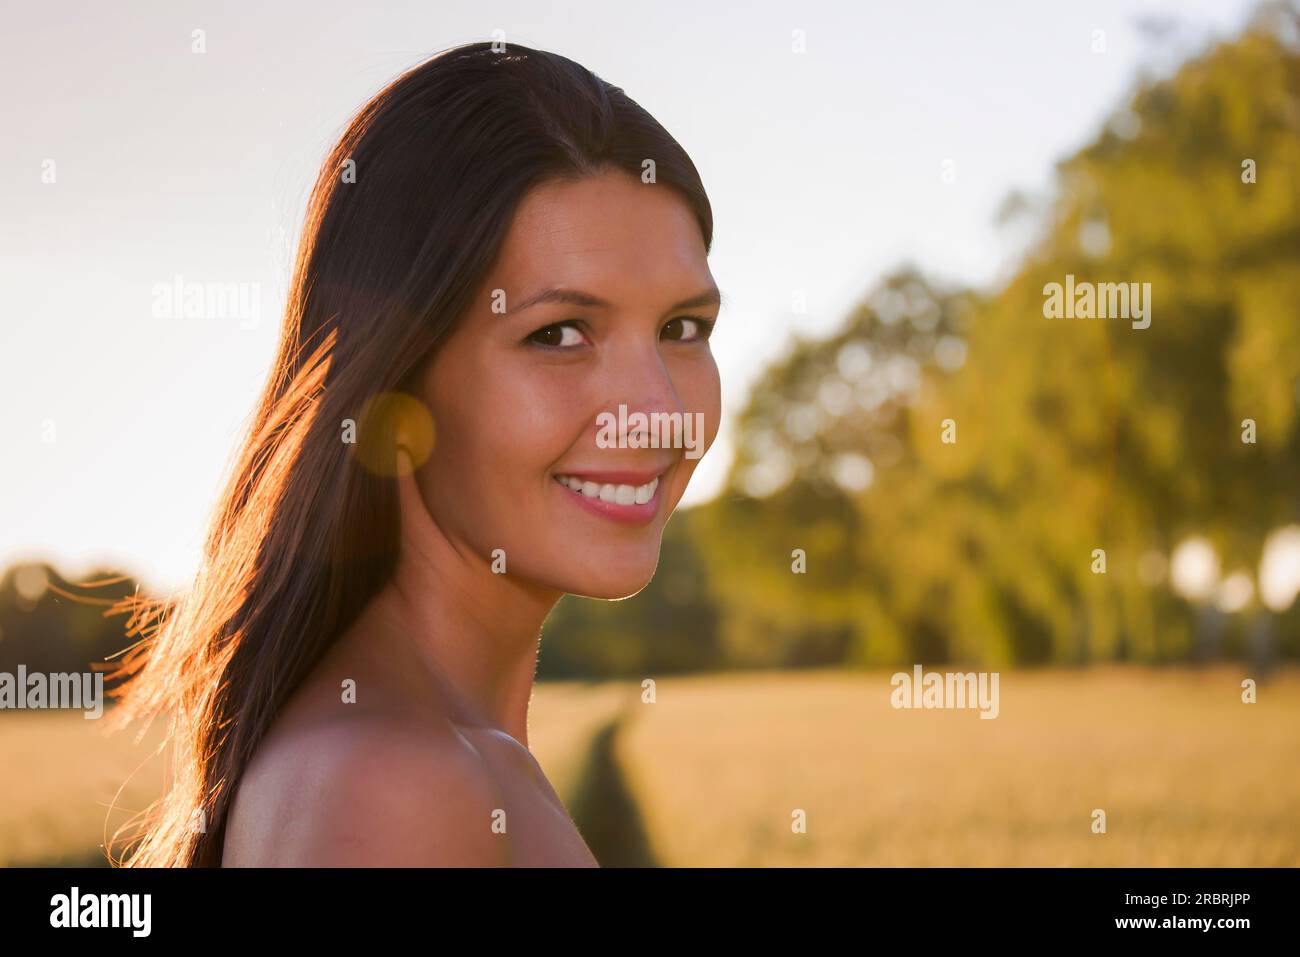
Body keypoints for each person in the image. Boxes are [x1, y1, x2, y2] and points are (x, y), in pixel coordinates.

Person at [104, 40, 722, 867]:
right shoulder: (398, 784)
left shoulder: (437, 752)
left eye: (683, 329)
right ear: (397, 387)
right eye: (559, 333)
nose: (657, 411)